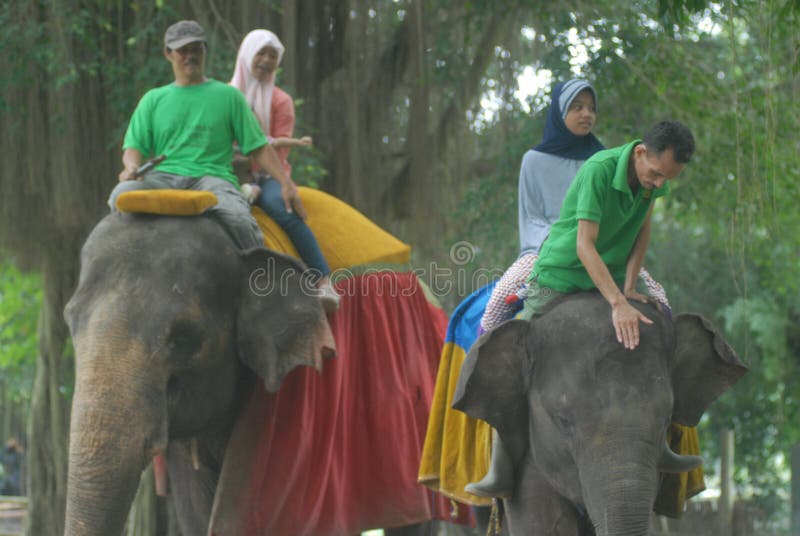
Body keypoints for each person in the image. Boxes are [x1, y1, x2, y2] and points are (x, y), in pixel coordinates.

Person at [466, 120, 695, 498]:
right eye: (654, 174)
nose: (658, 184)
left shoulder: (653, 181)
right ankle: (501, 462)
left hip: (612, 271)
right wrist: (617, 303)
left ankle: (663, 443)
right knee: (514, 355)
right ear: (640, 152)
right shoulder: (599, 170)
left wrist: (630, 285)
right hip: (559, 275)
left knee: (664, 321)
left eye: (665, 179)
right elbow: (584, 245)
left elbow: (642, 233)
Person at [109, 20, 304, 253]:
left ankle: (260, 277)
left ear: (205, 51)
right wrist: (131, 167)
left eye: (196, 49)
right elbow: (134, 147)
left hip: (213, 179)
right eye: (183, 50)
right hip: (163, 177)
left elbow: (258, 147)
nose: (190, 55)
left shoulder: (228, 96)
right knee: (120, 195)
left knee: (239, 220)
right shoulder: (153, 99)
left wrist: (286, 183)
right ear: (168, 54)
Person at [478, 79, 604, 335]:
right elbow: (532, 217)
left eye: (591, 108)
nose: (586, 114)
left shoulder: (604, 160)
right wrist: (562, 241)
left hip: (598, 247)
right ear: (560, 111)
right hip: (544, 250)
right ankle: (477, 368)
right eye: (577, 107)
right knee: (496, 303)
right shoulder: (533, 161)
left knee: (658, 297)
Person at [230, 29, 340, 312]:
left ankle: (322, 278)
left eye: (273, 56)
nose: (266, 60)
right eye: (261, 53)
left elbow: (279, 151)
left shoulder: (281, 101)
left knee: (282, 208)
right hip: (226, 171)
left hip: (267, 173)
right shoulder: (226, 96)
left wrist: (255, 156)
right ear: (246, 54)